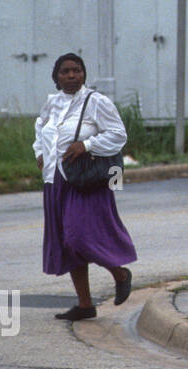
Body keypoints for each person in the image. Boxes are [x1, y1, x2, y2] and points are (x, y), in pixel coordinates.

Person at [34, 53, 137, 321]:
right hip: (54, 180)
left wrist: (86, 145)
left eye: (76, 70)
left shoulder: (96, 102)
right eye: (65, 71)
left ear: (84, 74)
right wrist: (39, 152)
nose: (71, 75)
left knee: (78, 237)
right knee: (68, 245)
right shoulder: (51, 104)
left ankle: (120, 273)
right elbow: (41, 129)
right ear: (56, 76)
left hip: (85, 181)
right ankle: (84, 305)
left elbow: (118, 135)